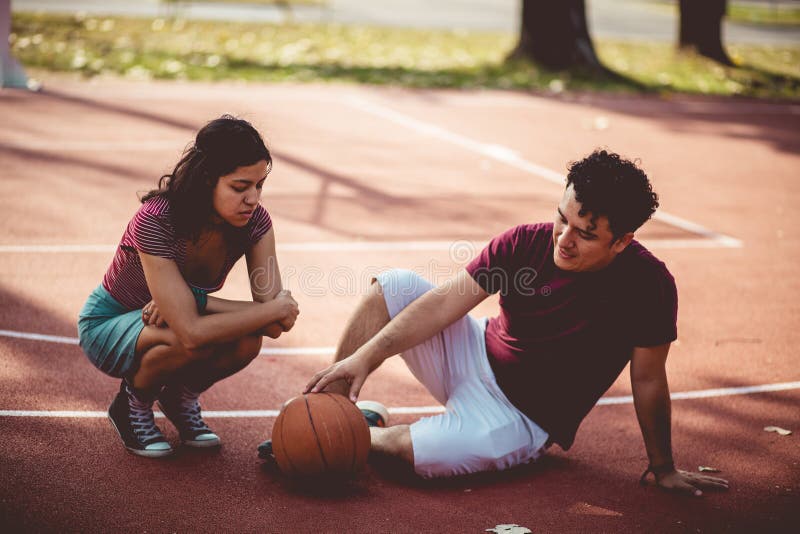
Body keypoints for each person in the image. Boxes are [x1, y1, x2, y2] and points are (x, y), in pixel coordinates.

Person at [303, 150, 729, 496]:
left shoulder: (648, 285)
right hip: (474, 353)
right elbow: (442, 305)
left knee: (416, 454)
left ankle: (356, 433)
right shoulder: (524, 242)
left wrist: (663, 467)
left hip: (519, 419)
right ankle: (326, 415)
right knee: (394, 286)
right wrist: (365, 356)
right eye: (562, 217)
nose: (563, 238)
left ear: (622, 241)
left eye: (585, 233)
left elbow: (650, 379)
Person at [78, 115, 299, 458]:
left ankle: (179, 398)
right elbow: (193, 331)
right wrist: (271, 307)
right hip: (109, 322)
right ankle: (130, 405)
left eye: (259, 185)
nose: (253, 198)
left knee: (248, 340)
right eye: (240, 187)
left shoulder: (255, 222)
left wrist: (191, 301)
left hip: (174, 319)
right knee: (187, 338)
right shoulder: (156, 220)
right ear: (207, 180)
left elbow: (273, 325)